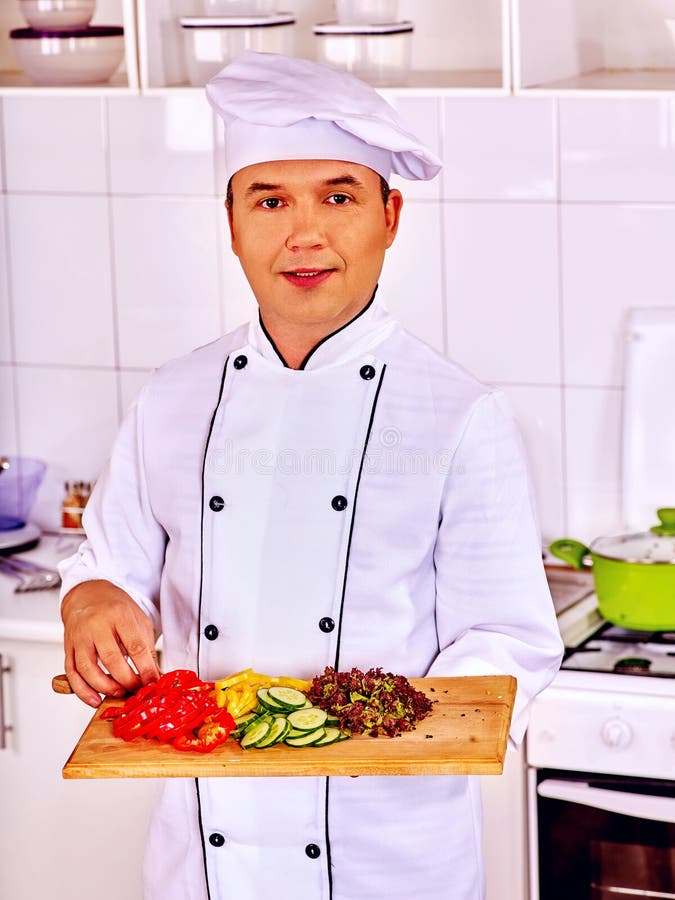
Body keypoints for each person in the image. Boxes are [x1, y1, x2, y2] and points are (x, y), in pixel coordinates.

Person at [59, 50, 563, 900]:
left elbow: (506, 640)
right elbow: (109, 566)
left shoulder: (458, 415)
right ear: (229, 223)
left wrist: (371, 722)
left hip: (387, 853)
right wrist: (91, 598)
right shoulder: (171, 399)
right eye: (269, 200)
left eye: (338, 197)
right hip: (204, 857)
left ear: (390, 215)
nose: (304, 234)